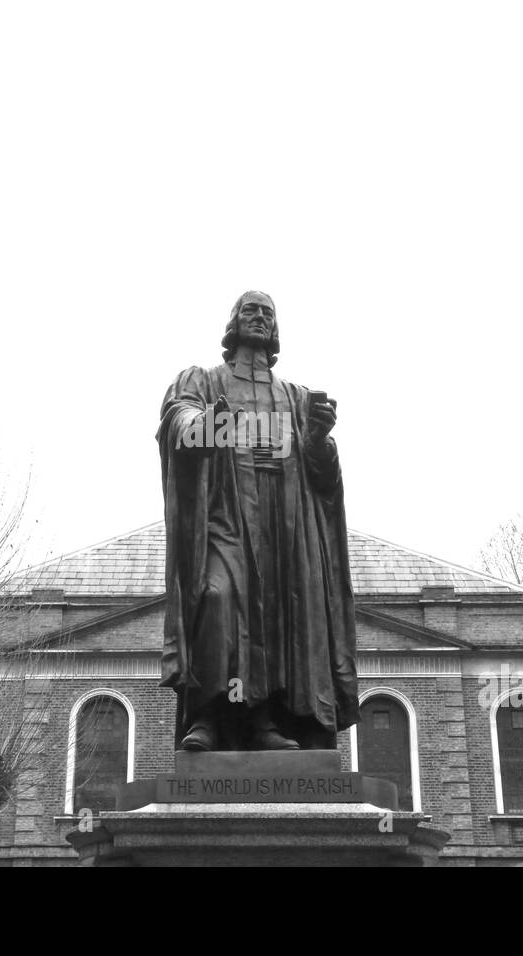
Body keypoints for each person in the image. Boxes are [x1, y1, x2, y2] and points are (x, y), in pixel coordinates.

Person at [157, 291, 358, 751]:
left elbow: (325, 479)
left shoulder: (296, 397)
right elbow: (179, 422)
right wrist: (208, 423)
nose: (261, 317)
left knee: (279, 619)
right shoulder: (204, 381)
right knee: (218, 598)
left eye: (268, 312)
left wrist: (318, 439)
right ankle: (208, 716)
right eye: (251, 310)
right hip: (225, 517)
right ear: (233, 323)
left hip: (286, 524)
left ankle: (265, 721)